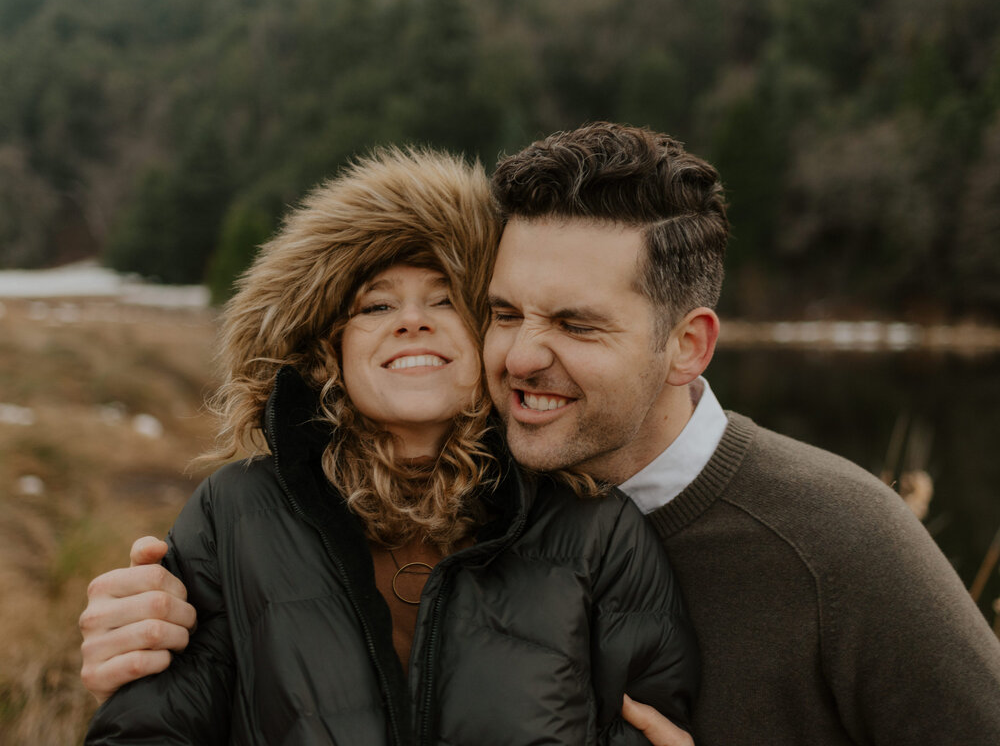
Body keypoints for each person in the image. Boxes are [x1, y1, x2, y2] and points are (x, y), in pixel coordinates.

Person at [82, 123, 1000, 745]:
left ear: (687, 345)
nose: (521, 355)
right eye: (506, 312)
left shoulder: (845, 543)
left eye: (576, 324)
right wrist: (142, 652)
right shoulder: (415, 511)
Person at [82, 146, 699, 745]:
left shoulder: (597, 530)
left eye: (446, 300)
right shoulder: (233, 514)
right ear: (328, 352)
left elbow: (647, 722)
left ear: (490, 337)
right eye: (376, 305)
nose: (412, 321)